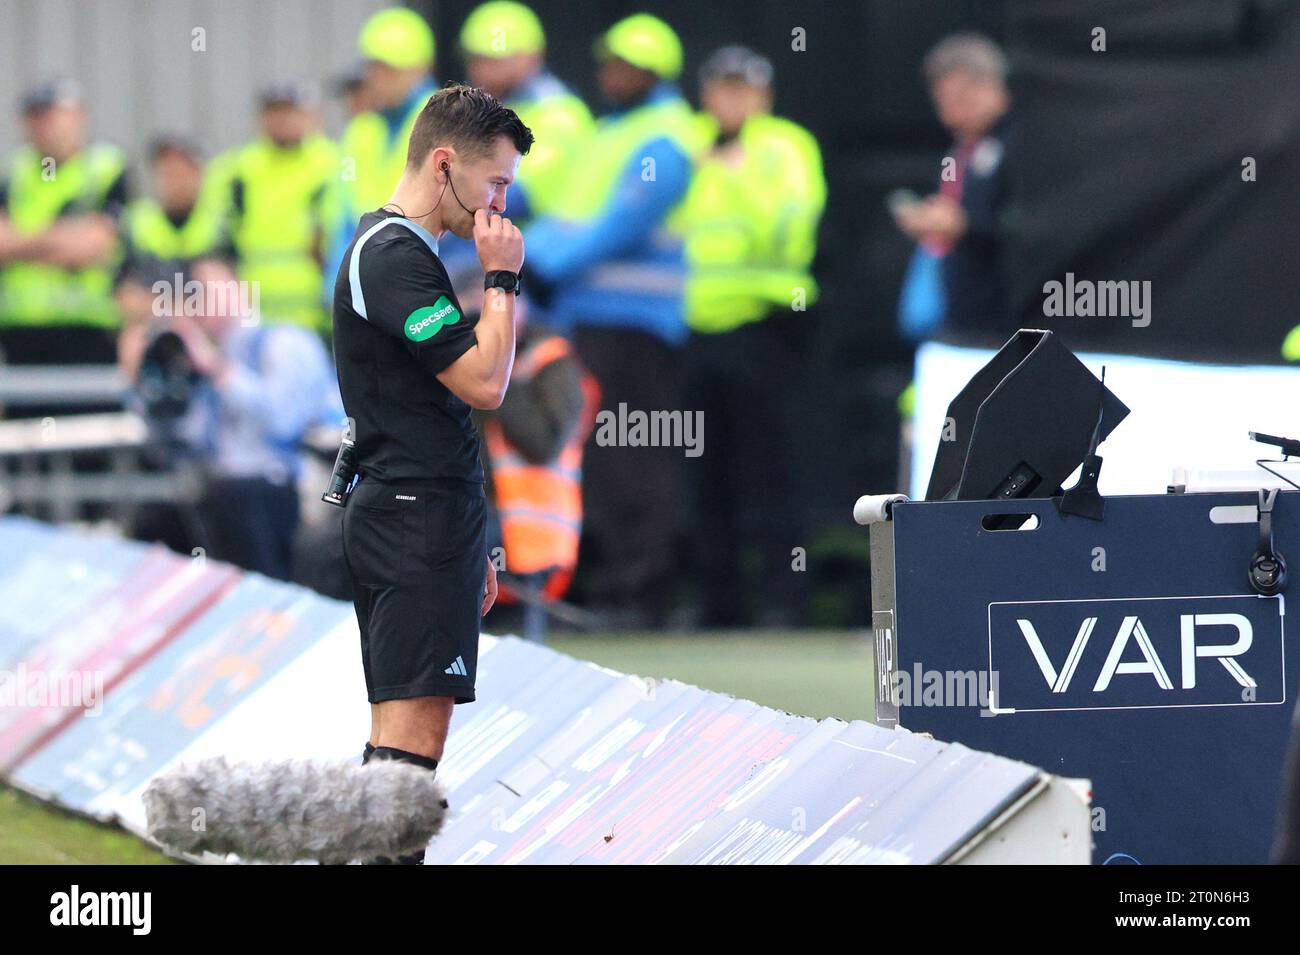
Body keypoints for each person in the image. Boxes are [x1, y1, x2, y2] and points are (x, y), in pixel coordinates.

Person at [331, 85, 533, 863]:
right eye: (496, 182)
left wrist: (473, 538)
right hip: (412, 516)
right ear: (444, 163)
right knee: (413, 744)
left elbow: (437, 410)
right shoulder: (392, 258)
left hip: (422, 515)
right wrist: (502, 280)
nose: (501, 206)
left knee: (399, 742)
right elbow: (485, 384)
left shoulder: (395, 252)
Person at [523, 13, 697, 626]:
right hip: (591, 319)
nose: (611, 73)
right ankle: (618, 586)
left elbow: (620, 223)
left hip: (636, 324)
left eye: (625, 65)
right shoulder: (611, 132)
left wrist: (544, 266)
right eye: (609, 62)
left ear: (653, 72)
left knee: (637, 451)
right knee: (605, 453)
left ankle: (643, 593)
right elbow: (570, 213)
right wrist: (524, 258)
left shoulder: (667, 137)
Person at [681, 46, 827, 627]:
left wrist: (734, 173)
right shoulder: (686, 143)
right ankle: (717, 600)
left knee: (771, 468)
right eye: (722, 88)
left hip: (767, 325)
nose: (732, 101)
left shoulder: (784, 146)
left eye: (744, 89)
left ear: (763, 96)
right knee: (705, 469)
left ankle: (783, 600)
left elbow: (788, 230)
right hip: (697, 325)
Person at [120, 252, 340, 579]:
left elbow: (283, 422)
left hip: (304, 487)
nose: (198, 302)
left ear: (239, 288)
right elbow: (175, 445)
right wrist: (146, 381)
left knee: (236, 496)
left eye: (206, 289)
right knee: (158, 520)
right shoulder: (200, 355)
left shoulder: (283, 342)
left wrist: (218, 370)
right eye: (190, 293)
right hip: (233, 494)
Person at [893, 33, 1012, 341]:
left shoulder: (1021, 145)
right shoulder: (959, 152)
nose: (950, 114)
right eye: (942, 102)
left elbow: (1040, 226)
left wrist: (966, 226)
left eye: (961, 100)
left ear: (990, 86)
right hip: (958, 317)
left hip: (1006, 320)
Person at [0, 78, 129, 364]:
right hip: (22, 334)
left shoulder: (105, 168)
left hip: (89, 332)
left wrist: (22, 241)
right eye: (35, 117)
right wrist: (63, 238)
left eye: (51, 115)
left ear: (78, 116)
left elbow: (94, 247)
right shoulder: (15, 172)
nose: (43, 126)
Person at [211, 81, 340, 334]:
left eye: (289, 112)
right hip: (254, 317)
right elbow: (221, 242)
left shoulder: (330, 164)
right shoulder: (239, 169)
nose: (281, 120)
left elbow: (337, 235)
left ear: (308, 116)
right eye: (273, 112)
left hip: (316, 315)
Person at [118, 134, 226, 279]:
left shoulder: (221, 225)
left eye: (181, 172)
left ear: (199, 175)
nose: (174, 182)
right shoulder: (137, 221)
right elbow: (125, 291)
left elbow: (232, 287)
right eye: (167, 172)